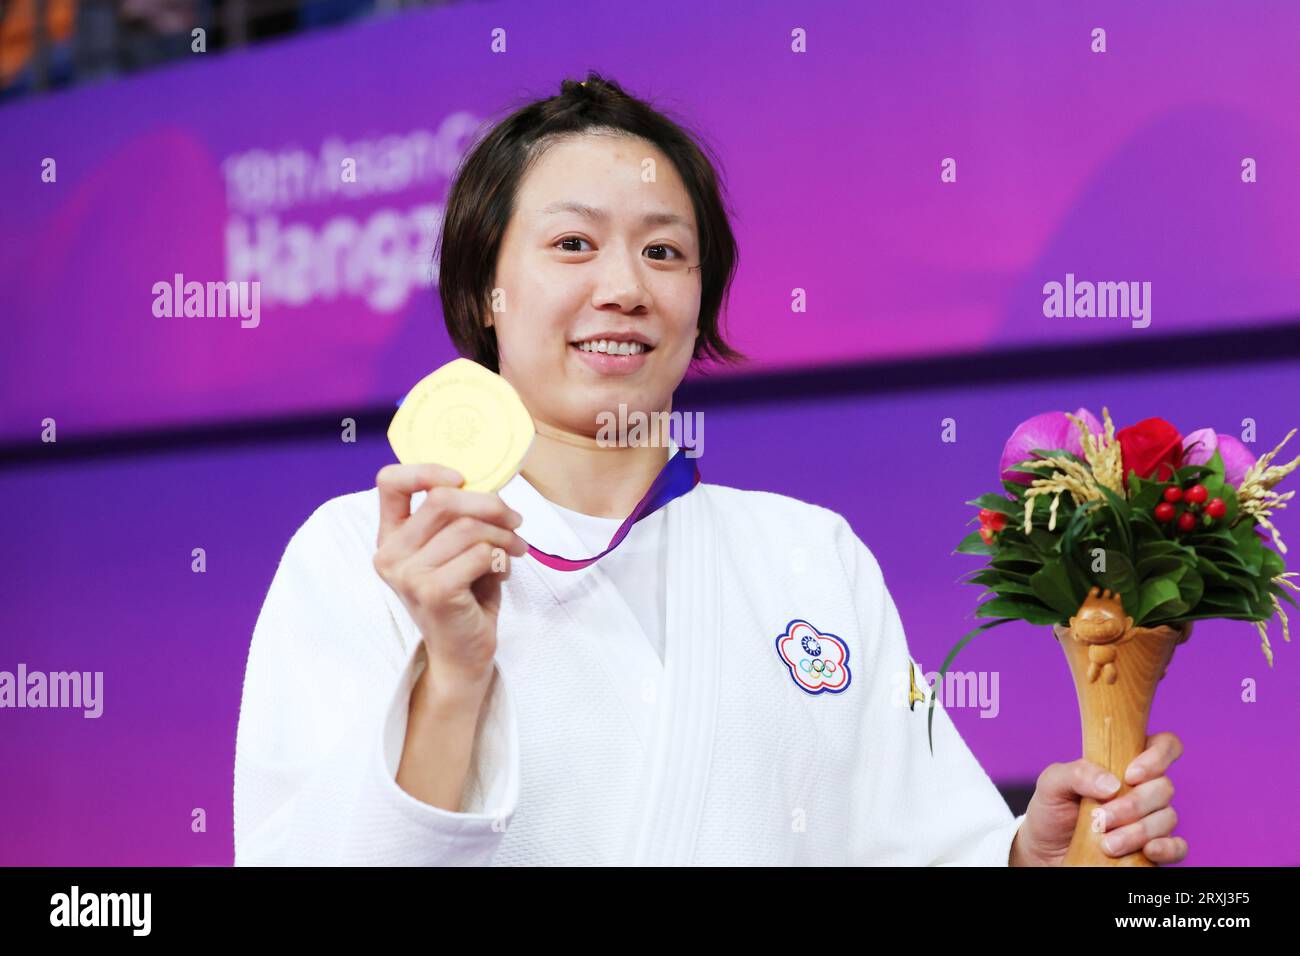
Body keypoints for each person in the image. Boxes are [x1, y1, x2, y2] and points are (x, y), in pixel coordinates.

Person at [233, 73, 1186, 866]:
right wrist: (450, 675)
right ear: (488, 286)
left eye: (664, 251)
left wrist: (1029, 858)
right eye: (573, 244)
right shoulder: (366, 553)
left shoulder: (810, 554)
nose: (624, 287)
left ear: (701, 298)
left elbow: (924, 844)